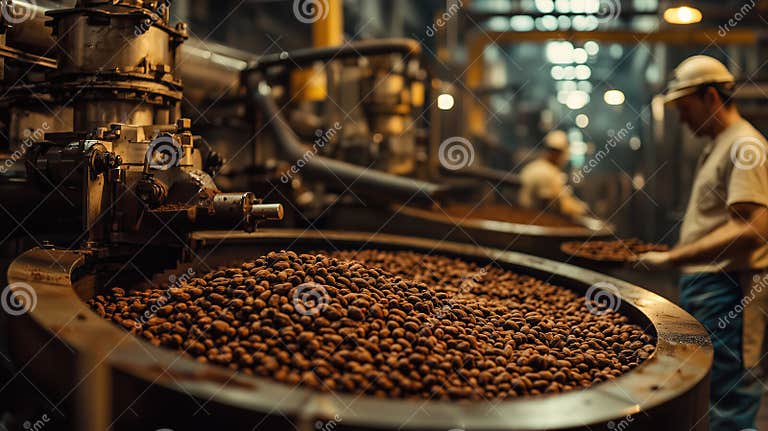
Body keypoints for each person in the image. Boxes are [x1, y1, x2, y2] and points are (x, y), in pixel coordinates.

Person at [638, 55, 768, 430]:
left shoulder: (745, 146)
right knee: (714, 394)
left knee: (732, 398)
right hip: (709, 287)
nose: (681, 119)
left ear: (710, 96)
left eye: (685, 107)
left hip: (730, 290)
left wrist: (675, 258)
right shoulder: (721, 144)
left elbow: (751, 230)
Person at [518, 130, 589, 218]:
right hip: (534, 221)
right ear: (559, 153)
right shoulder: (547, 173)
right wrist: (579, 209)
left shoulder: (532, 166)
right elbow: (552, 205)